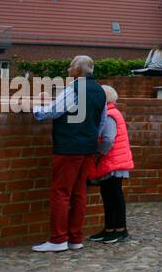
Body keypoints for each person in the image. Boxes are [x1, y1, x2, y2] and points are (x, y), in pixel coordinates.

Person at [31, 55, 106, 253]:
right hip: (88, 148)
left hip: (68, 147)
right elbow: (102, 122)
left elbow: (52, 111)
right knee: (80, 193)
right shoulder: (100, 91)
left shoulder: (73, 88)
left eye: (71, 65)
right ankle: (75, 238)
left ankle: (58, 239)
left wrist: (34, 109)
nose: (68, 69)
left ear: (79, 70)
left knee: (61, 193)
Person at [88, 85, 135, 243]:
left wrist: (98, 153)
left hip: (112, 161)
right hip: (115, 160)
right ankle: (111, 229)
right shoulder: (112, 113)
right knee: (109, 195)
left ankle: (119, 229)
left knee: (113, 195)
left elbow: (108, 139)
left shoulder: (109, 115)